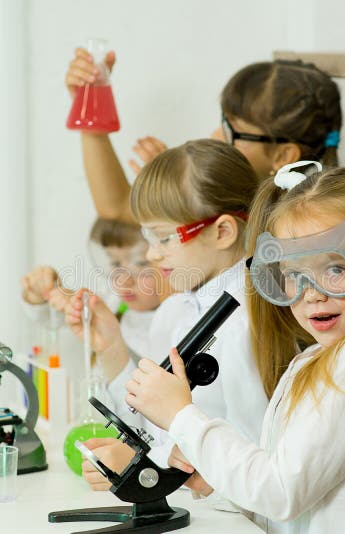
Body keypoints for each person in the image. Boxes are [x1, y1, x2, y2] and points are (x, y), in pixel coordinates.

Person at [124, 155, 345, 533]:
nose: (312, 294)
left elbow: (281, 494)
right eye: (294, 273)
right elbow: (284, 492)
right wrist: (214, 480)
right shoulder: (316, 359)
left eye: (336, 268)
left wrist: (181, 416)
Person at [64, 139, 269, 489]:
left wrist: (150, 466)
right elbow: (153, 428)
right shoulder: (175, 311)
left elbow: (255, 468)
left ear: (222, 231)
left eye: (164, 238)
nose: (152, 254)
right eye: (148, 237)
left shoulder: (250, 324)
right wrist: (112, 348)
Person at [65, 48, 342, 223]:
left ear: (283, 155)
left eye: (232, 131)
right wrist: (89, 108)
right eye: (223, 121)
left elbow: (116, 208)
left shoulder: (298, 230)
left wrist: (177, 194)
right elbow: (115, 207)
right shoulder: (228, 196)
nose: (214, 135)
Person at [20, 217, 164, 368]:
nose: (123, 280)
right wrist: (43, 292)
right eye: (115, 263)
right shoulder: (111, 302)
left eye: (140, 264)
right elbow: (49, 317)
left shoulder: (175, 322)